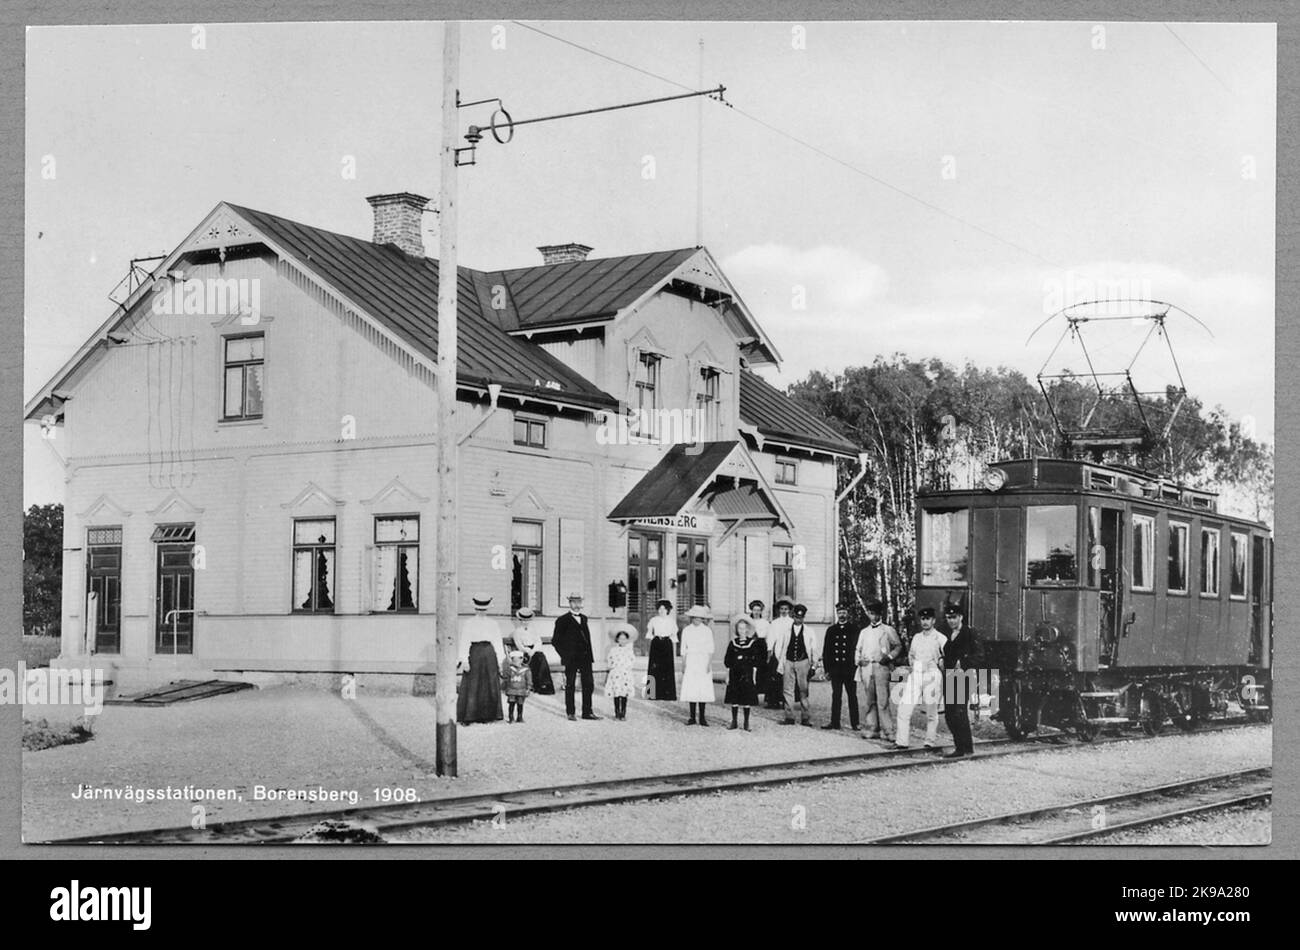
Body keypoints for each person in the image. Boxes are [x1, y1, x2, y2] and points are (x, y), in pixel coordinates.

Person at [894, 607, 947, 749]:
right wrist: (913, 666)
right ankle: (902, 742)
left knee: (931, 711)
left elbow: (946, 657)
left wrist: (940, 667)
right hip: (916, 674)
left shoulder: (940, 638)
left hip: (932, 674)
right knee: (904, 708)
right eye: (923, 619)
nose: (925, 622)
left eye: (928, 619)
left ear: (933, 620)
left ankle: (930, 741)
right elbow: (911, 655)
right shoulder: (917, 638)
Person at [857, 600, 903, 742]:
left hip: (881, 667)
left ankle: (888, 731)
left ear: (880, 614)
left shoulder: (888, 630)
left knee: (882, 700)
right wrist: (859, 660)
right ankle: (872, 728)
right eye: (871, 613)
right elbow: (858, 649)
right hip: (867, 668)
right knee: (870, 700)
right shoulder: (864, 632)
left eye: (875, 614)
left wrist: (888, 657)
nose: (873, 616)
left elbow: (898, 646)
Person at [457, 594, 505, 725]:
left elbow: (497, 642)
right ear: (475, 609)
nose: (481, 612)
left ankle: (489, 715)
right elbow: (464, 641)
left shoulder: (493, 623)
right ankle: (470, 716)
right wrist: (464, 660)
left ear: (487, 609)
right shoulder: (468, 623)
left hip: (489, 654)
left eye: (484, 610)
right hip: (475, 653)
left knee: (489, 683)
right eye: (479, 609)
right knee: (473, 683)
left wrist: (501, 661)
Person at [552, 593, 600, 721]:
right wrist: (565, 654)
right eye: (574, 602)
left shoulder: (584, 618)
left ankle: (587, 711)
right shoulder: (562, 620)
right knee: (570, 684)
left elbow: (586, 638)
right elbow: (556, 641)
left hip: (585, 657)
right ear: (569, 603)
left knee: (588, 684)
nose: (577, 605)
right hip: (571, 658)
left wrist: (590, 655)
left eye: (579, 602)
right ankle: (571, 712)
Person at [942, 602, 980, 758]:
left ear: (961, 617)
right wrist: (941, 660)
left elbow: (979, 655)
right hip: (950, 676)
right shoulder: (948, 633)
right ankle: (962, 746)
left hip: (963, 676)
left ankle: (964, 748)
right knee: (950, 714)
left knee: (959, 712)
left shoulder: (970, 633)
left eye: (954, 617)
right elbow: (946, 652)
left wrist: (963, 663)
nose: (951, 621)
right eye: (948, 618)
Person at [770, 603, 818, 725]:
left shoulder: (809, 631)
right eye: (796, 617)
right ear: (793, 616)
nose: (798, 619)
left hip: (803, 662)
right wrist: (782, 661)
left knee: (803, 689)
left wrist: (813, 665)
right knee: (788, 689)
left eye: (801, 617)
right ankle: (789, 717)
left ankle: (805, 717)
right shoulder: (786, 631)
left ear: (804, 618)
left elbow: (814, 649)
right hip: (789, 661)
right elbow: (779, 647)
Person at [821, 602, 860, 730]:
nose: (842, 615)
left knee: (852, 696)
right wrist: (827, 670)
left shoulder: (854, 629)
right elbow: (826, 651)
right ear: (836, 613)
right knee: (836, 696)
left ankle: (855, 723)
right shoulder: (831, 630)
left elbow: (857, 649)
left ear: (847, 613)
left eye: (844, 612)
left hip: (849, 669)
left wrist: (856, 668)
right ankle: (835, 722)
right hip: (836, 669)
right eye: (839, 612)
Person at [724, 617, 764, 731]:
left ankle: (746, 722)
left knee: (746, 698)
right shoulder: (733, 643)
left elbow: (755, 662)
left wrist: (754, 677)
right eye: (739, 628)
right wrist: (727, 676)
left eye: (744, 628)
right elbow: (728, 661)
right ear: (737, 630)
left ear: (747, 630)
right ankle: (734, 721)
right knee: (734, 698)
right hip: (734, 673)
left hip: (747, 673)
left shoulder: (752, 644)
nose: (742, 631)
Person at [680, 604, 716, 725]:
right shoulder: (686, 630)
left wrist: (708, 664)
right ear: (691, 618)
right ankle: (692, 717)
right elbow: (683, 648)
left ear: (702, 619)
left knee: (702, 687)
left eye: (699, 618)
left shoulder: (707, 631)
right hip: (691, 660)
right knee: (692, 687)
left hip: (703, 660)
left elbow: (711, 648)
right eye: (695, 617)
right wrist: (683, 663)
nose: (697, 619)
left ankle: (702, 717)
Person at [511, 607, 555, 695]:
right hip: (523, 652)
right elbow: (519, 644)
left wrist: (533, 650)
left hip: (534, 651)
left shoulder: (533, 630)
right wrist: (527, 650)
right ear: (520, 620)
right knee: (530, 660)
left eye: (527, 620)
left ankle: (544, 685)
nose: (525, 622)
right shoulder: (517, 632)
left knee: (541, 657)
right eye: (523, 620)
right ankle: (534, 685)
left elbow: (538, 642)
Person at [645, 598, 679, 701]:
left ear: (668, 610)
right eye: (659, 609)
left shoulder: (671, 621)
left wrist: (668, 641)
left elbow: (674, 634)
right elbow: (649, 633)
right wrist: (655, 639)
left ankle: (668, 694)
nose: (661, 611)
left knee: (667, 667)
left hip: (667, 644)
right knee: (654, 667)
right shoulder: (653, 620)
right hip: (656, 643)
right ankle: (652, 694)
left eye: (664, 609)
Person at [763, 599, 794, 709]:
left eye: (786, 609)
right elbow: (771, 637)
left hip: (788, 651)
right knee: (775, 676)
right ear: (779, 610)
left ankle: (786, 700)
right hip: (777, 651)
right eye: (782, 609)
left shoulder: (792, 622)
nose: (784, 611)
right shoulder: (775, 623)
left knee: (787, 677)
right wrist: (770, 651)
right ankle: (773, 700)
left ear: (789, 610)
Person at [605, 626, 637, 721]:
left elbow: (632, 661)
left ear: (627, 640)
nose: (622, 641)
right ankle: (617, 713)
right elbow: (610, 660)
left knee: (624, 693)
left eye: (624, 639)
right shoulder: (613, 650)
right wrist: (613, 667)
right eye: (620, 639)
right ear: (617, 640)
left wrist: (627, 668)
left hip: (625, 674)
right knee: (616, 693)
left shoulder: (629, 650)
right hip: (616, 673)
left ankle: (623, 713)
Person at [501, 649, 532, 723]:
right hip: (511, 690)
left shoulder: (526, 670)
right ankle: (511, 717)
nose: (516, 662)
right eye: (513, 660)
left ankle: (519, 717)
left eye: (517, 659)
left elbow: (529, 680)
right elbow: (506, 678)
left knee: (520, 704)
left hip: (521, 690)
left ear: (521, 659)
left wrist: (528, 688)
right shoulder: (509, 669)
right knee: (511, 704)